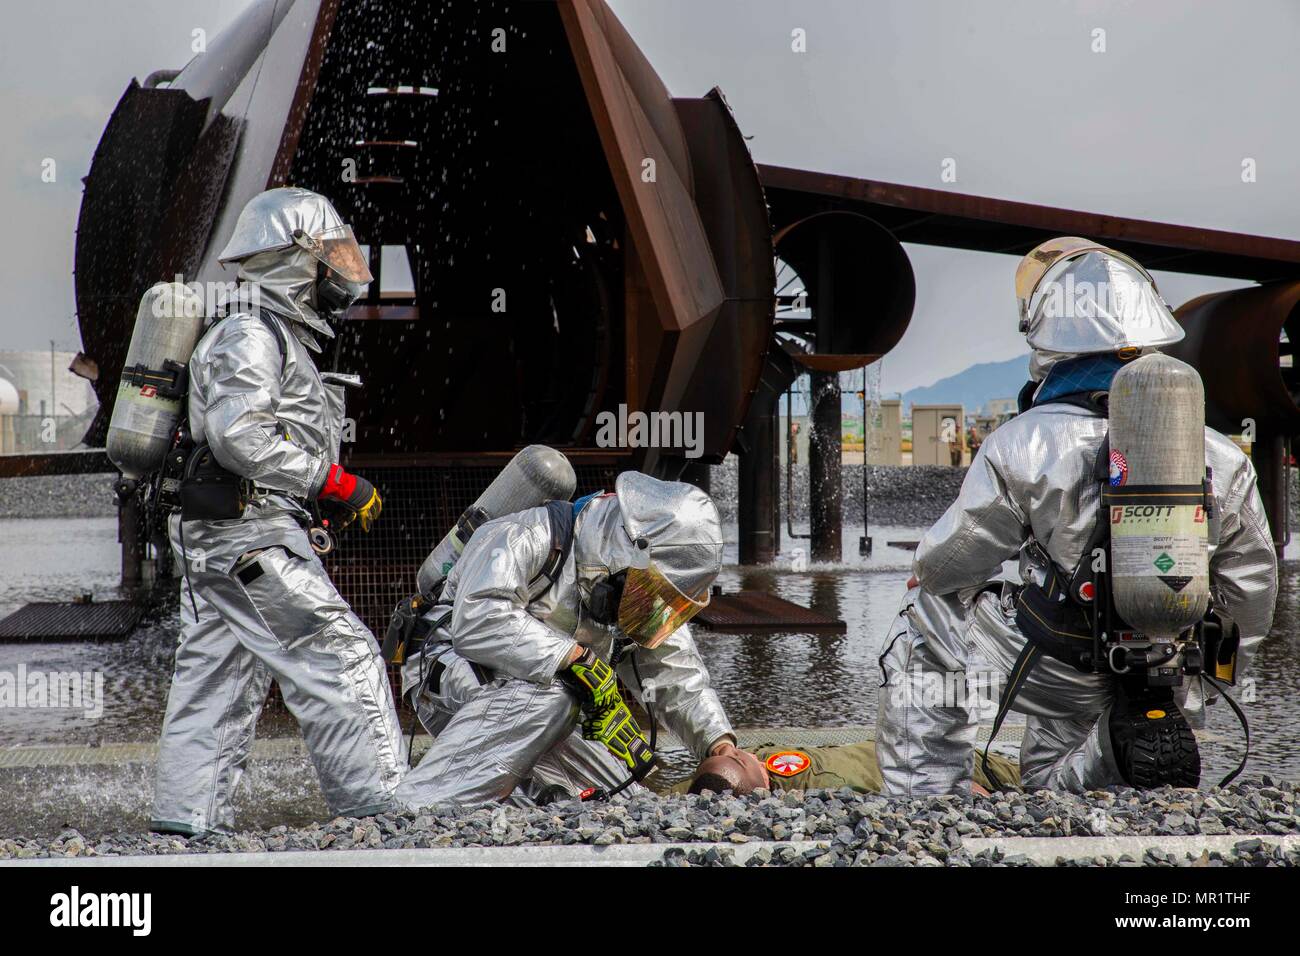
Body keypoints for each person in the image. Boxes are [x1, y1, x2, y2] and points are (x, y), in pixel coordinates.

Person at [876, 238, 1277, 797]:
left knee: (925, 605)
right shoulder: (1224, 456)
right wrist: (1201, 677)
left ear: (1049, 337)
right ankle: (1121, 745)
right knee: (1046, 777)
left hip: (1061, 665)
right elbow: (1251, 594)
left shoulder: (1022, 444)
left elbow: (948, 567)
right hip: (1171, 671)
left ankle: (927, 794)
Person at [151, 187, 406, 836]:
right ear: (295, 262)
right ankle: (381, 810)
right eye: (333, 257)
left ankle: (187, 824)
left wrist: (311, 498)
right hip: (247, 542)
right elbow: (239, 436)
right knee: (340, 655)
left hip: (225, 538)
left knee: (214, 684)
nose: (345, 273)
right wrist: (333, 481)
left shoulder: (264, 330)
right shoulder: (249, 333)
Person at [395, 473, 736, 807]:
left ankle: (521, 803)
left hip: (542, 695)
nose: (652, 604)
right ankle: (420, 805)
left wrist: (718, 743)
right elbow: (477, 620)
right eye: (652, 590)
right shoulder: (525, 534)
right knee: (555, 693)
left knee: (626, 801)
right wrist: (572, 657)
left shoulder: (638, 598)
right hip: (445, 669)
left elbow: (674, 675)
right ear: (631, 552)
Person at [680, 739, 1021, 796]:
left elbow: (683, 789)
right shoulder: (823, 786)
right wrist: (955, 791)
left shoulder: (762, 764)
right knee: (1032, 777)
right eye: (740, 756)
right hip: (938, 760)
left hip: (912, 748)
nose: (742, 751)